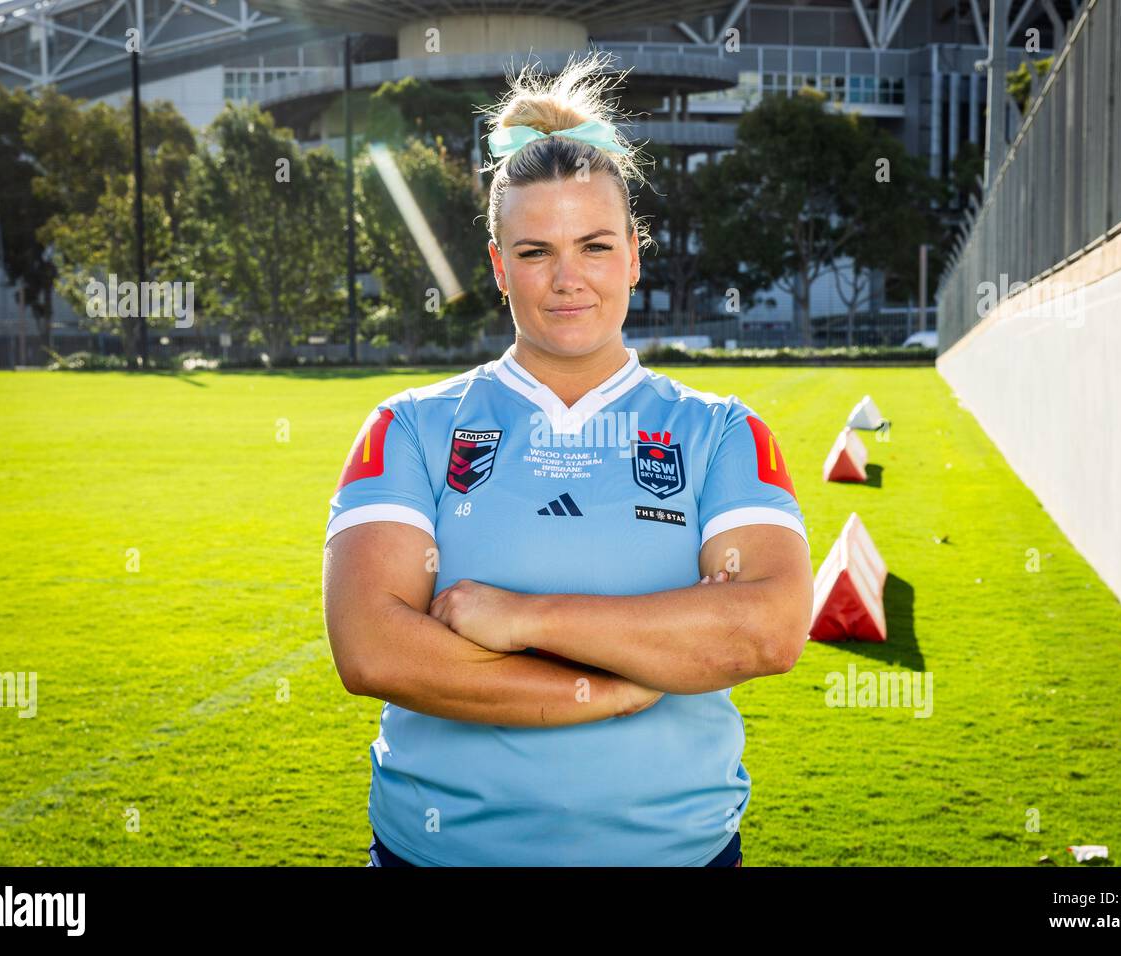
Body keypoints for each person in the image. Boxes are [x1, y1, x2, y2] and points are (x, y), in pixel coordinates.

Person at [322, 51, 814, 867]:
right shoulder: (408, 426)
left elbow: (766, 632)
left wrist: (525, 619)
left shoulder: (723, 432)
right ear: (497, 266)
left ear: (633, 254)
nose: (567, 280)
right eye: (534, 251)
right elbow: (372, 648)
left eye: (593, 246)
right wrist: (616, 688)